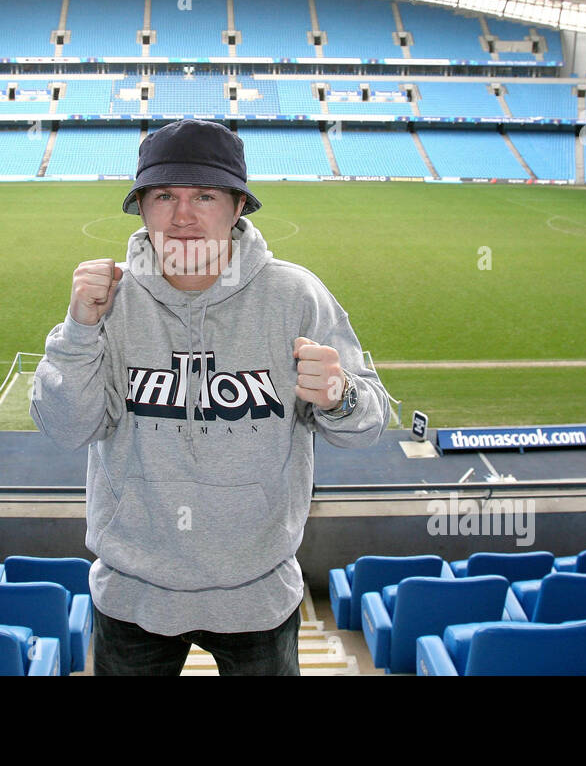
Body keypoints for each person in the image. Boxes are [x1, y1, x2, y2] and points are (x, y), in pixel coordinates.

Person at [29, 118, 390, 675]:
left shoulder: (296, 296)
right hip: (133, 595)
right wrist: (78, 332)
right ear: (142, 207)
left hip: (258, 594)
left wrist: (340, 396)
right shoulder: (110, 303)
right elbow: (66, 428)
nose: (182, 216)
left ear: (238, 206)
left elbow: (367, 423)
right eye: (164, 195)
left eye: (205, 195)